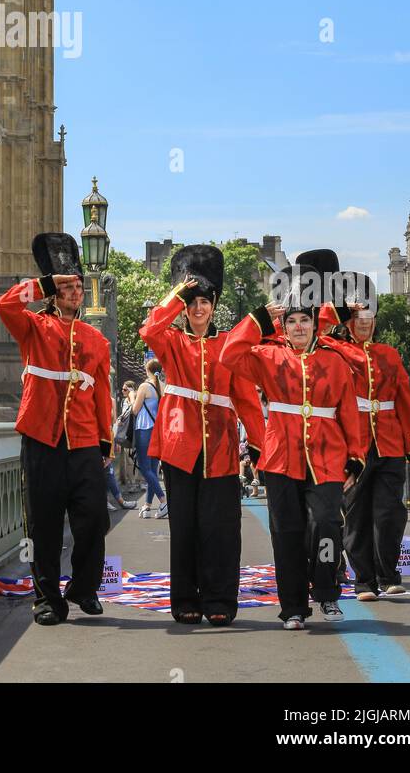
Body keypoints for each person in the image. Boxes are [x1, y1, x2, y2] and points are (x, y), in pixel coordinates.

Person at [220, 263, 365, 630]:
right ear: (283, 327)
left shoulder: (334, 361)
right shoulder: (269, 357)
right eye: (292, 321)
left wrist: (355, 459)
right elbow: (229, 355)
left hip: (328, 458)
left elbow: (348, 411)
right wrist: (257, 321)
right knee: (286, 534)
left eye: (305, 320)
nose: (299, 326)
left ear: (315, 323)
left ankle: (328, 591)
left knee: (328, 525)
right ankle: (294, 606)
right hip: (282, 457)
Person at [140, 245, 266, 626]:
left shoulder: (229, 343)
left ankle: (221, 599)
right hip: (180, 446)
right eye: (192, 302)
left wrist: (258, 445)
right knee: (185, 527)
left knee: (222, 528)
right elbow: (148, 328)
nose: (198, 309)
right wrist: (176, 295)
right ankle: (185, 598)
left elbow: (246, 398)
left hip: (222, 449)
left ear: (214, 305)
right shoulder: (172, 340)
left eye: (204, 302)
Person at [0, 232, 112, 626]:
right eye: (67, 286)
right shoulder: (32, 327)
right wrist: (45, 282)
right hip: (42, 437)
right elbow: (4, 303)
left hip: (82, 441)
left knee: (94, 517)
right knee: (43, 523)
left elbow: (102, 394)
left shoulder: (96, 339)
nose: (75, 291)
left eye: (78, 285)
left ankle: (83, 587)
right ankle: (47, 600)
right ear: (54, 292)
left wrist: (105, 438)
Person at [319, 270, 410, 601]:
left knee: (390, 513)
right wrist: (341, 308)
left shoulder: (388, 355)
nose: (365, 323)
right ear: (350, 322)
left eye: (369, 317)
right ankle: (364, 580)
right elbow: (318, 327)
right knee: (358, 514)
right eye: (358, 318)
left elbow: (405, 401)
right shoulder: (336, 349)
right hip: (357, 446)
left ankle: (388, 573)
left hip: (391, 441)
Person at [128, 362, 166, 518]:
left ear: (146, 370)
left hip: (144, 429)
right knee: (152, 470)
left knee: (145, 468)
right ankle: (147, 506)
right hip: (158, 431)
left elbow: (134, 410)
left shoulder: (144, 386)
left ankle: (164, 501)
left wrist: (131, 396)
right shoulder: (163, 386)